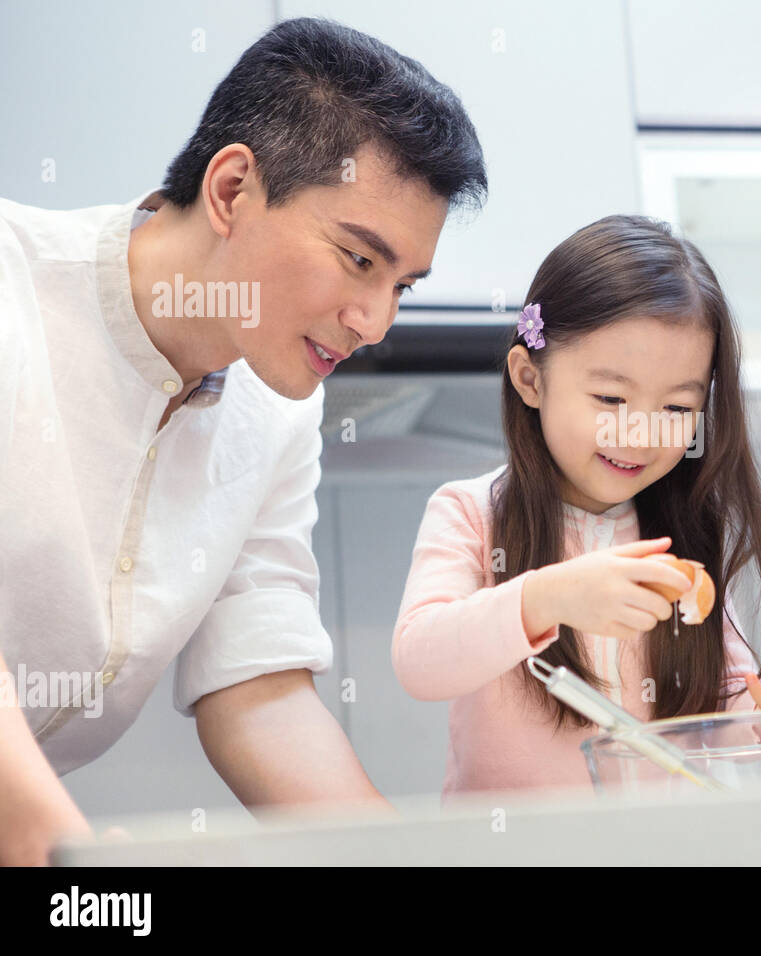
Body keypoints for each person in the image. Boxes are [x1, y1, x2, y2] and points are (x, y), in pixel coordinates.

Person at [0, 17, 486, 864]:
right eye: (357, 259)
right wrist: (75, 869)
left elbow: (257, 689)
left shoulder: (279, 409)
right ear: (231, 191)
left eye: (403, 284)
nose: (375, 323)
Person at [392, 215, 761, 797]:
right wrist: (549, 596)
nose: (642, 433)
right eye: (611, 397)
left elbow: (715, 733)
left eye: (676, 408)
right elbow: (421, 661)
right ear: (530, 379)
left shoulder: (685, 536)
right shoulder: (471, 513)